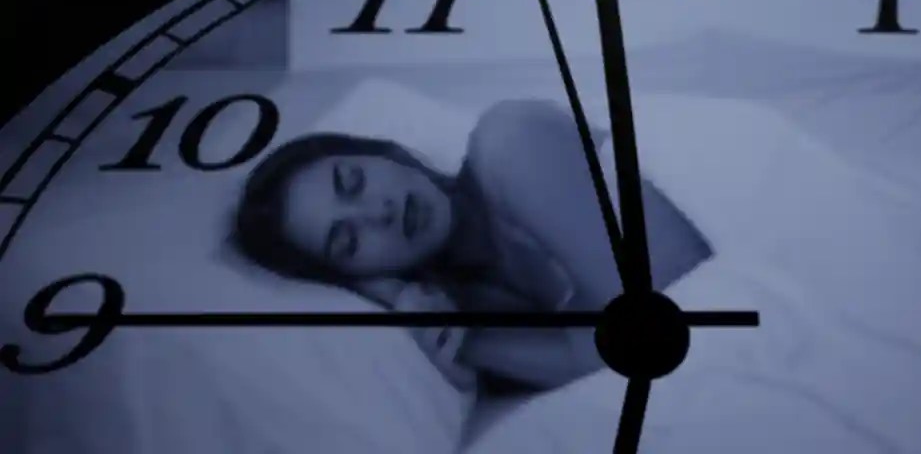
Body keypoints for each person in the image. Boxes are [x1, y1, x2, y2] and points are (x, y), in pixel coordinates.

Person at [230, 98, 713, 394]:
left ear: (387, 153)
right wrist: (441, 327)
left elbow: (653, 330)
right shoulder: (477, 295)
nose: (377, 213)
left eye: (353, 180)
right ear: (360, 279)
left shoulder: (510, 144)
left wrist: (478, 343)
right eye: (348, 240)